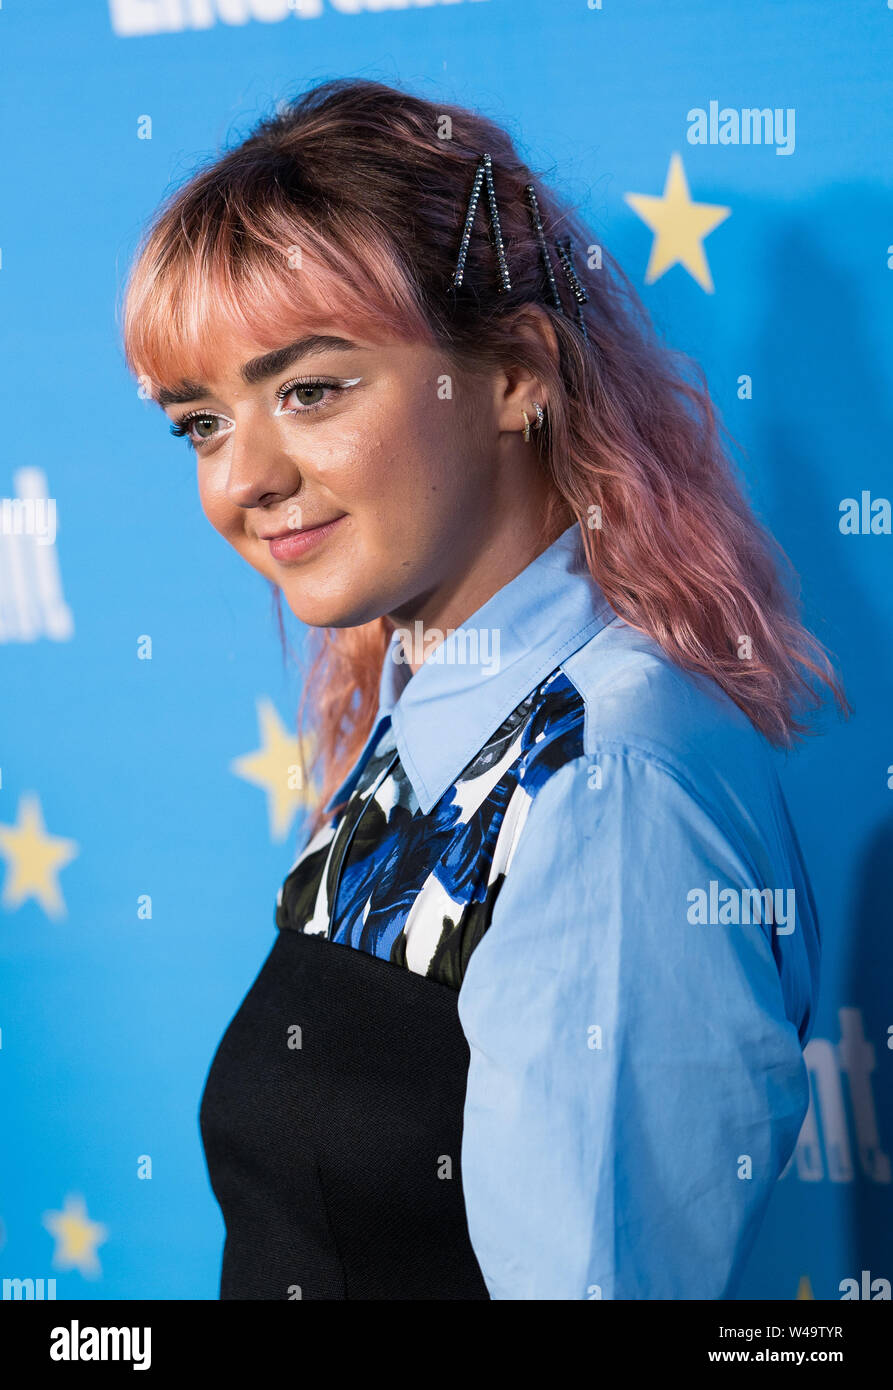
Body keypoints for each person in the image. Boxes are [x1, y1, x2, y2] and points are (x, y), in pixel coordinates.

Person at [120, 77, 848, 1300]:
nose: (238, 479)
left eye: (308, 390)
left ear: (515, 371)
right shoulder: (428, 717)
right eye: (199, 422)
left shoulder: (596, 770)